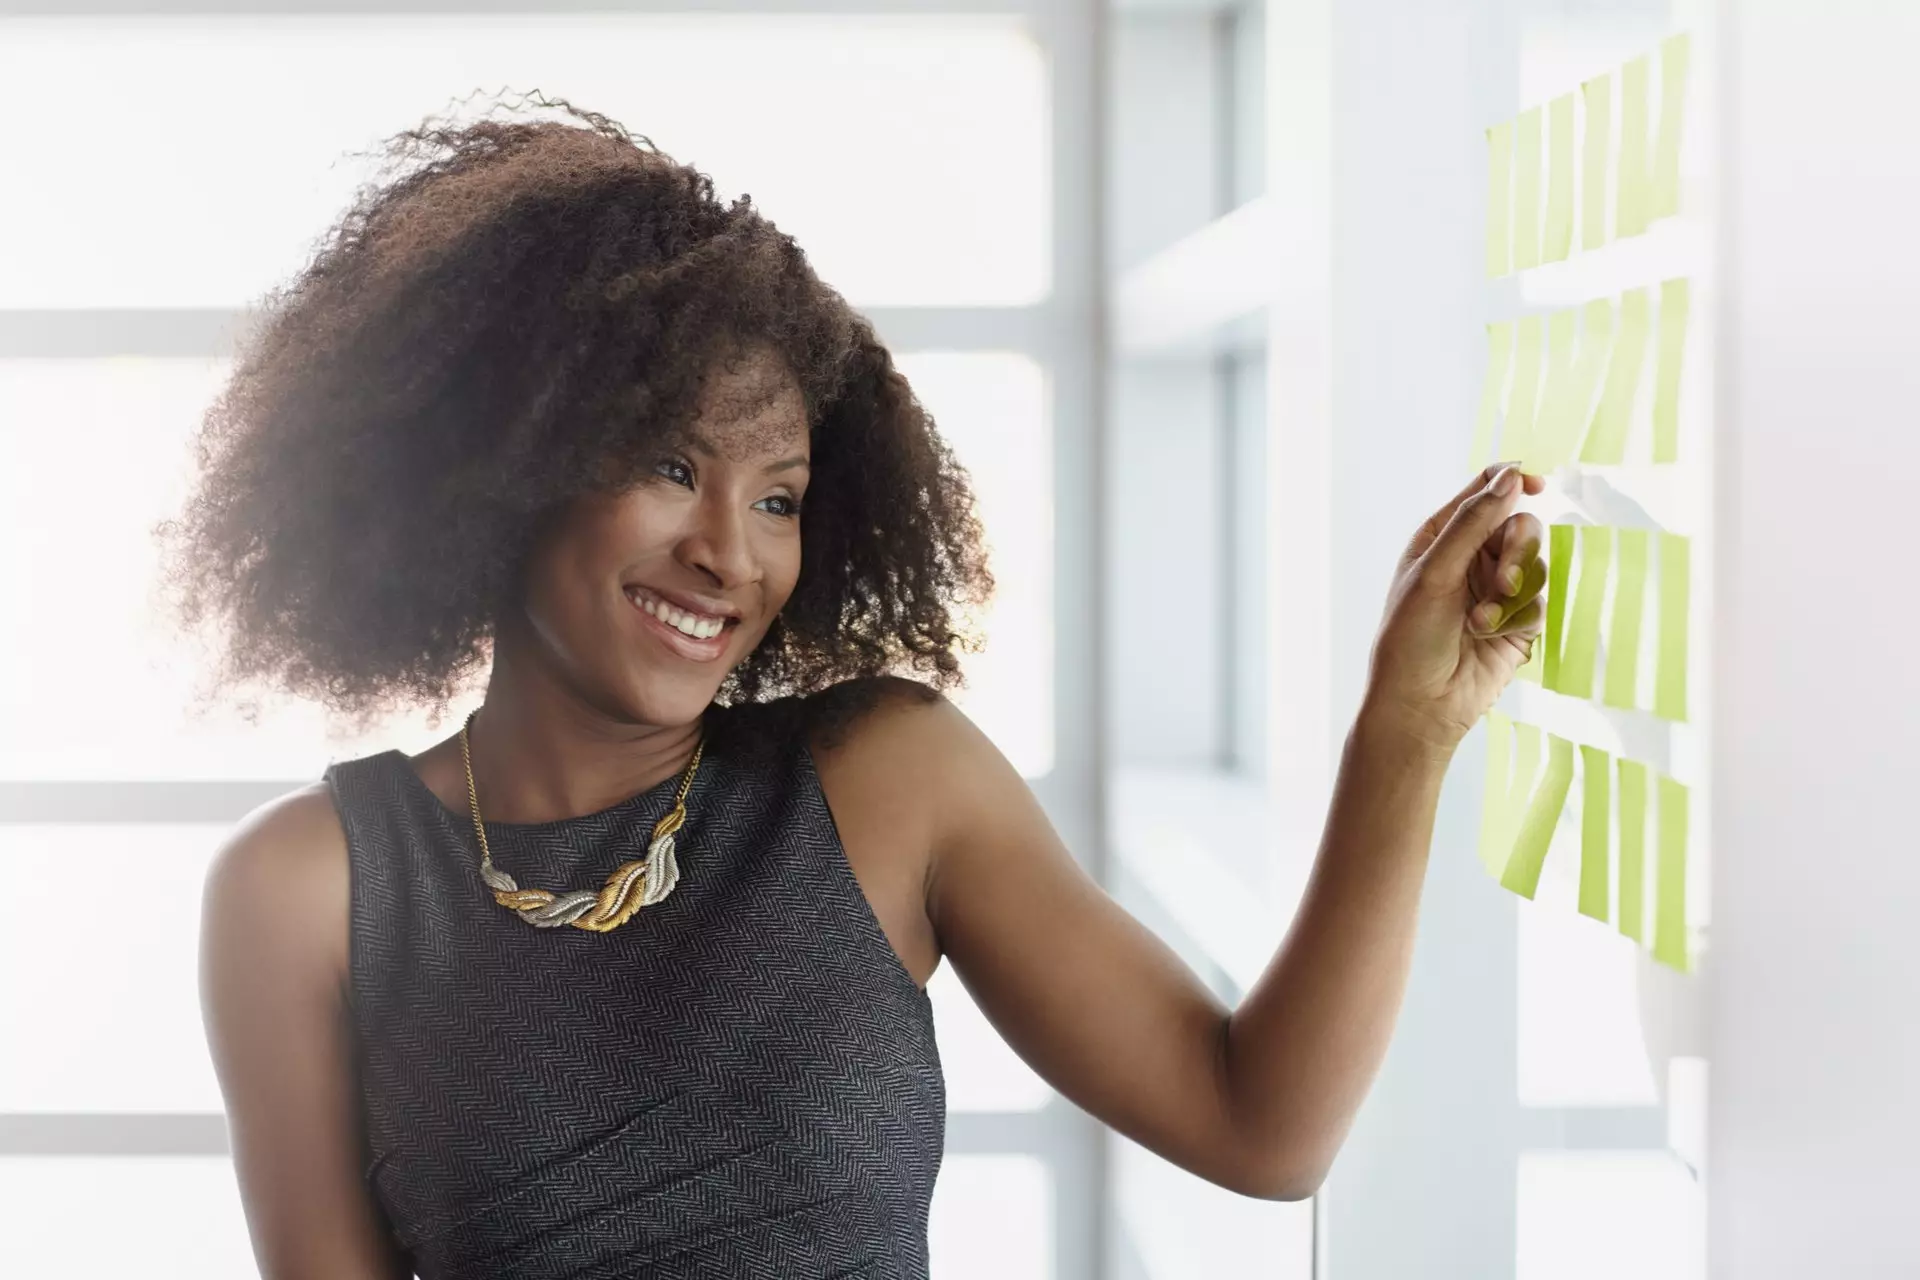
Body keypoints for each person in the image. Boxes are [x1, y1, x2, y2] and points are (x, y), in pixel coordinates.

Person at [173, 100, 1547, 1280]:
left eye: (780, 498)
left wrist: (1408, 735)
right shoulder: (307, 892)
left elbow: (1265, 1128)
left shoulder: (889, 781)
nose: (728, 551)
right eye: (669, 467)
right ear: (504, 466)